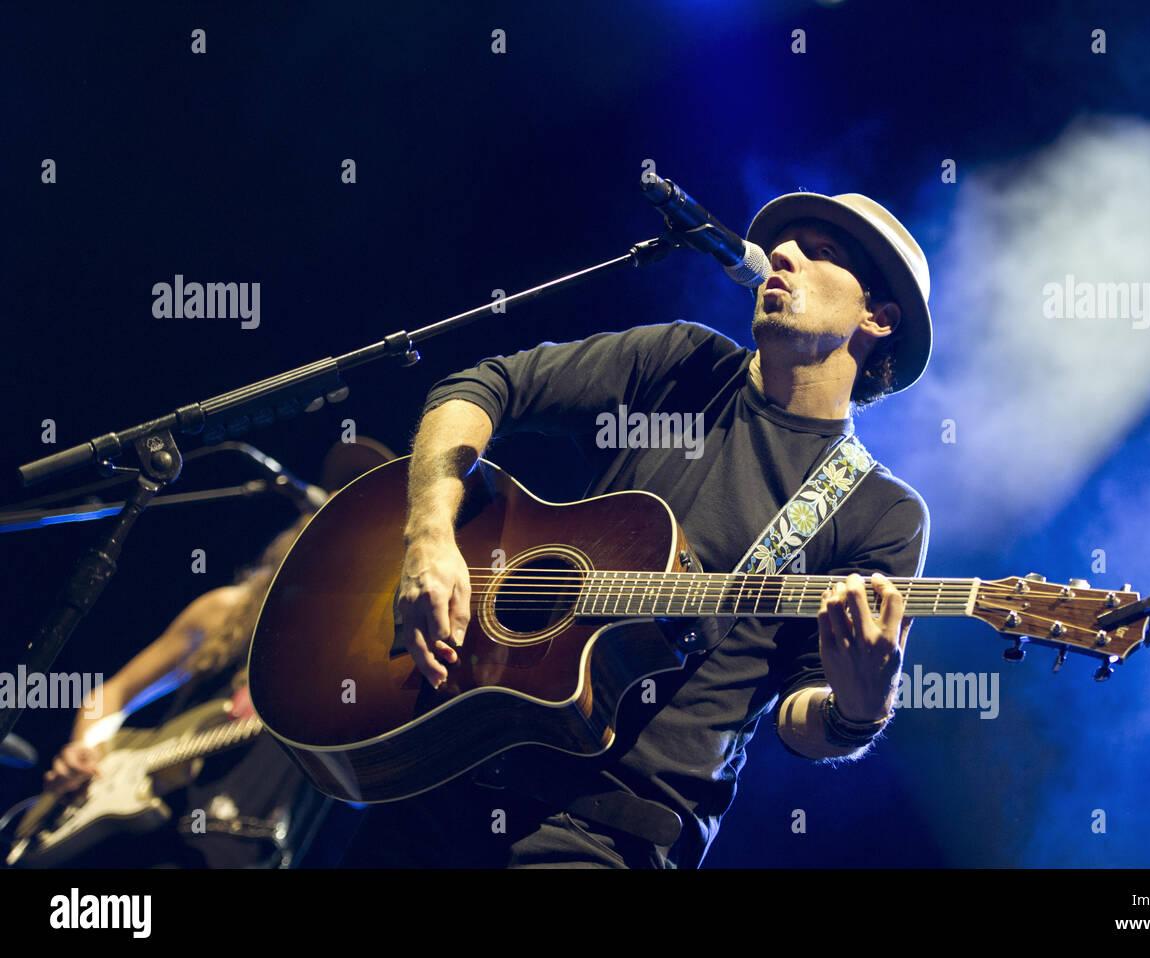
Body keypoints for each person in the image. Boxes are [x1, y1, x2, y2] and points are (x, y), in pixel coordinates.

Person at [341, 192, 933, 869]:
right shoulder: (683, 365)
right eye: (784, 244)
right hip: (455, 758)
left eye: (820, 253)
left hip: (605, 835)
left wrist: (861, 706)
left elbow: (803, 717)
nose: (783, 256)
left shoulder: (878, 510)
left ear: (877, 318)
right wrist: (429, 537)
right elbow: (483, 387)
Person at [42, 438, 393, 867]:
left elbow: (360, 795)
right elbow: (112, 694)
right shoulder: (229, 611)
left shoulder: (372, 659)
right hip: (137, 843)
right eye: (341, 498)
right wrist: (85, 747)